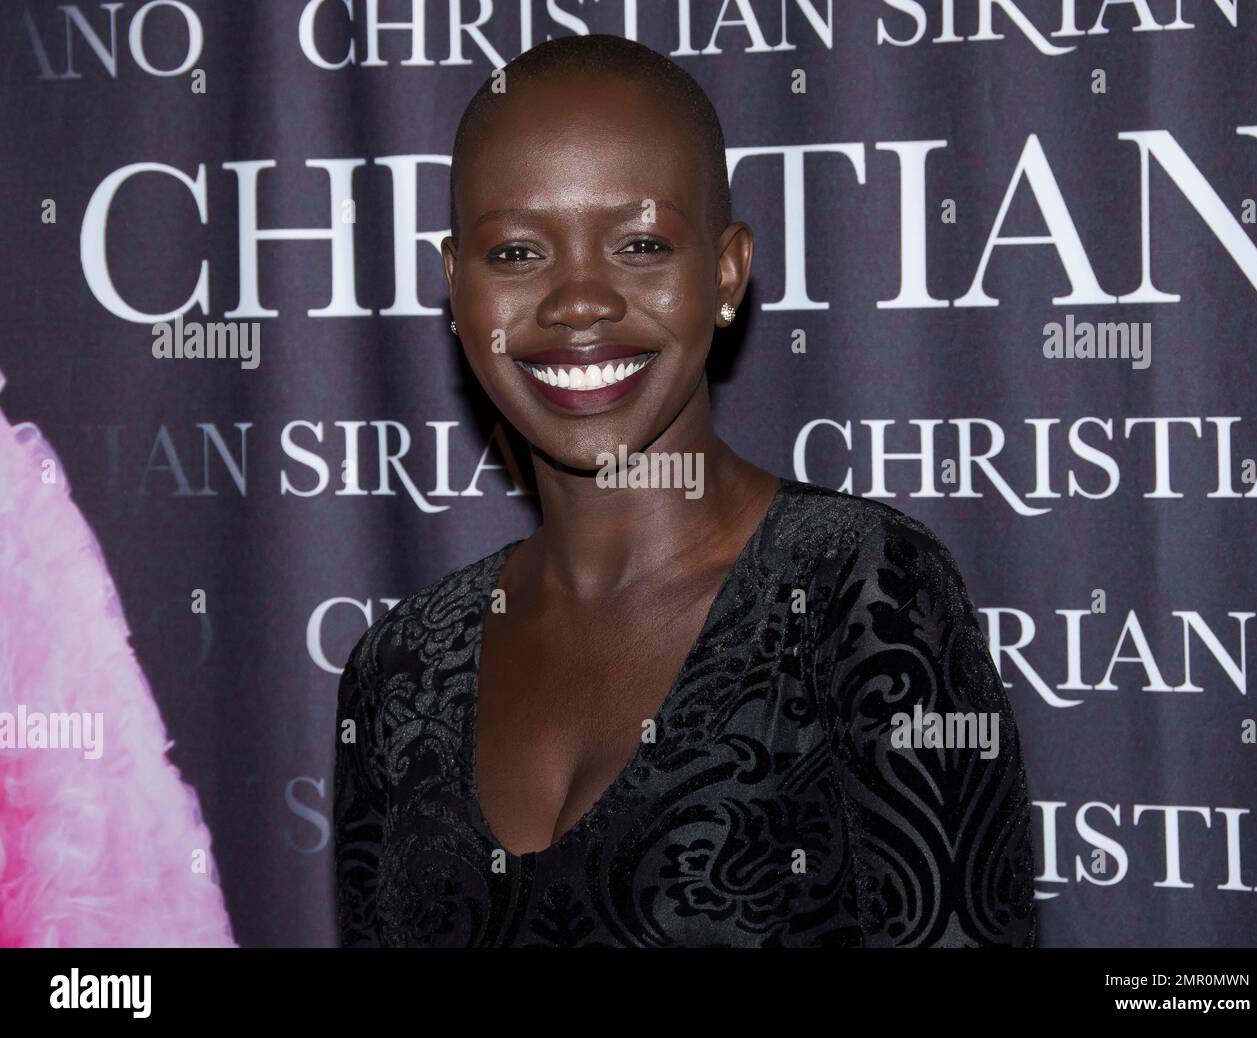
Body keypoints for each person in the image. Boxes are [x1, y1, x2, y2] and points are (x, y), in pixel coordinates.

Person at [333, 33, 1036, 948]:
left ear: (727, 272)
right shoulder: (397, 669)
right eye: (514, 254)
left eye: (639, 243)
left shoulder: (859, 597)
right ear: (453, 284)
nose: (577, 301)